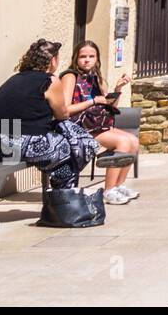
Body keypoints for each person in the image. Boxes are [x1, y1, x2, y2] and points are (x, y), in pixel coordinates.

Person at [0, 39, 98, 194]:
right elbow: (63, 114)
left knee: (68, 144)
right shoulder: (50, 81)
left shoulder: (15, 79)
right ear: (52, 60)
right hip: (17, 144)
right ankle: (64, 200)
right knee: (71, 149)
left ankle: (63, 196)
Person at [59, 41, 140, 206]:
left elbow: (108, 107)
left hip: (95, 124)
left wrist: (117, 89)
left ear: (97, 58)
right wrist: (93, 101)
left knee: (133, 141)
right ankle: (108, 190)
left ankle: (119, 185)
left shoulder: (94, 77)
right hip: (77, 127)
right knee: (123, 142)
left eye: (91, 56)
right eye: (83, 56)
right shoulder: (70, 76)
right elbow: (66, 109)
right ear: (76, 58)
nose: (87, 60)